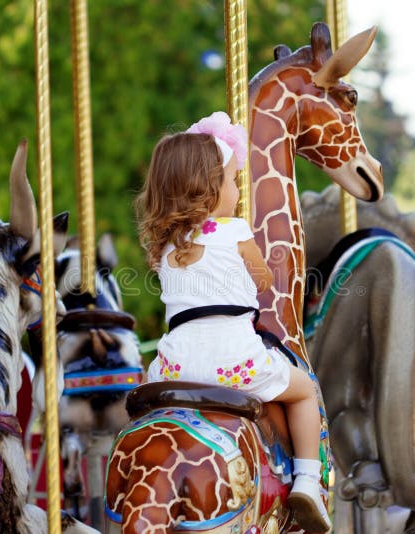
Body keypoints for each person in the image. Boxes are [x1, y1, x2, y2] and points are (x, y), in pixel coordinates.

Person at [136, 111, 331, 532]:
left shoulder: (165, 245)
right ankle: (309, 483)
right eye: (232, 180)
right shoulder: (235, 230)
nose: (238, 189)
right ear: (209, 189)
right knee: (303, 391)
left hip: (174, 367)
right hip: (234, 361)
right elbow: (264, 281)